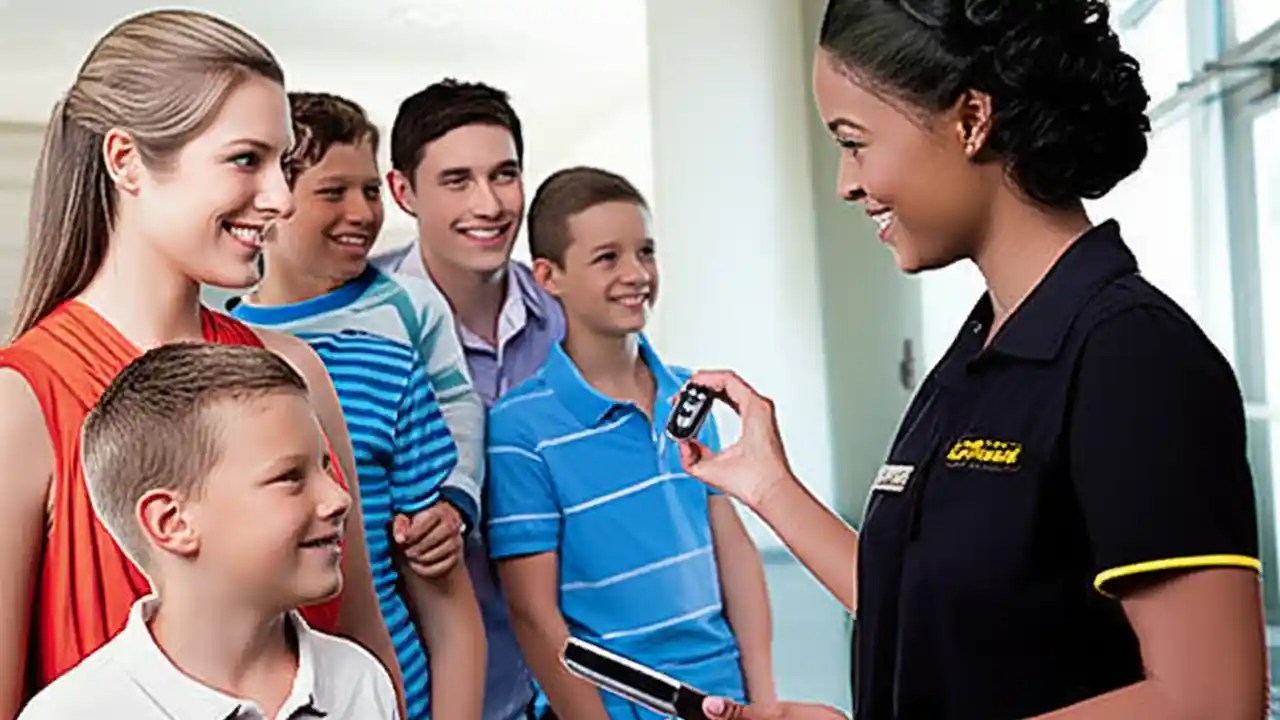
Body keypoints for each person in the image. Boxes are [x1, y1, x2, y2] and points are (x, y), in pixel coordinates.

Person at [677, 1, 1266, 719]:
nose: (845, 183)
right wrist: (770, 487)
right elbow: (929, 604)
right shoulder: (980, 349)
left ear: (971, 120)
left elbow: (1209, 701)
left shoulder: (1134, 357)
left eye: (855, 142)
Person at [0, 10, 416, 715]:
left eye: (282, 166)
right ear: (126, 160)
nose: (280, 201)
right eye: (245, 160)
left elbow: (364, 641)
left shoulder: (295, 372)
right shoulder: (22, 402)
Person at [231, 91, 485, 720]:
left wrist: (454, 501)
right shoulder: (221, 350)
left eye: (370, 191)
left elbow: (461, 412)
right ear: (274, 201)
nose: (362, 212)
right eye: (333, 192)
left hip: (396, 668)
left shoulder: (400, 329)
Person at [486, 166, 776, 719]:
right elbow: (533, 613)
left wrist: (765, 702)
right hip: (616, 704)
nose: (636, 273)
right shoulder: (520, 428)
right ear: (549, 276)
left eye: (645, 251)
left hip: (723, 693)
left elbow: (731, 552)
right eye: (607, 257)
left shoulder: (690, 398)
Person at [19, 344, 400, 719]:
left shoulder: (360, 681)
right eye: (290, 477)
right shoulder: (73, 713)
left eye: (325, 467)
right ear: (173, 523)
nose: (339, 498)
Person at [373, 78, 565, 720]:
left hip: (568, 681)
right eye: (456, 180)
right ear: (404, 192)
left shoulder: (566, 316)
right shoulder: (365, 328)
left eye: (504, 175)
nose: (488, 203)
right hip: (435, 693)